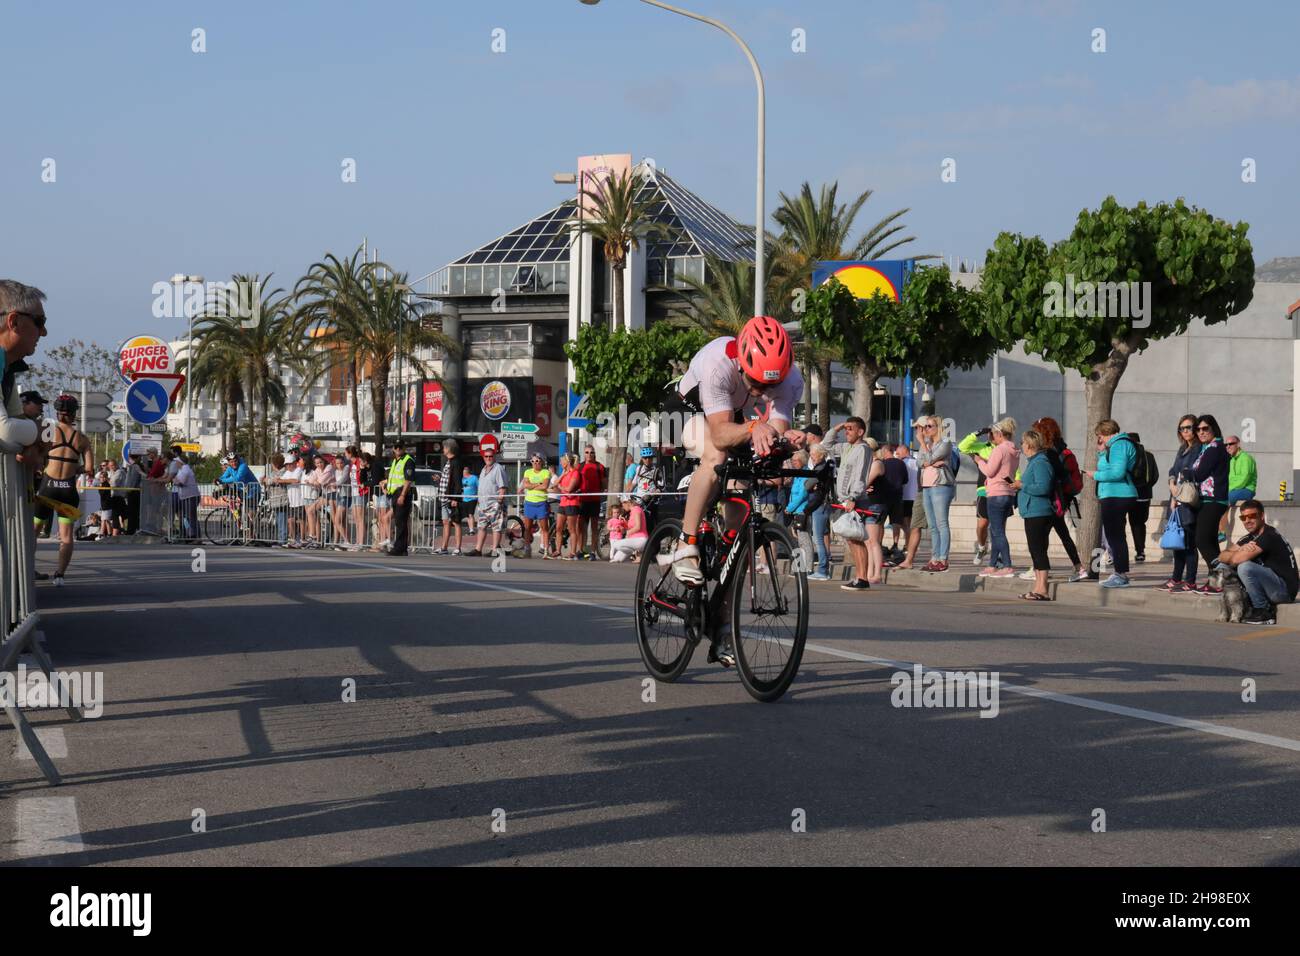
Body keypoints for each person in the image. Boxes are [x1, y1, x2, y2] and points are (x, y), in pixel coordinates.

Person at [655, 317, 808, 664]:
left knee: (740, 494)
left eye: (769, 384)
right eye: (754, 380)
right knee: (716, 455)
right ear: (742, 362)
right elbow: (723, 434)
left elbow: (775, 427)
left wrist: (782, 439)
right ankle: (686, 543)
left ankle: (721, 618)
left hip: (734, 417)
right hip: (687, 411)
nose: (761, 389)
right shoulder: (717, 364)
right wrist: (756, 425)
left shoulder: (790, 379)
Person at [32, 394, 93, 584]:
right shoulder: (82, 439)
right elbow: (90, 469)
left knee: (33, 531)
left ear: (58, 413)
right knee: (66, 537)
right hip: (68, 489)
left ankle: (27, 568)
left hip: (47, 487)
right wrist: (75, 467)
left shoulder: (48, 432)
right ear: (75, 414)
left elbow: (36, 456)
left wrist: (44, 465)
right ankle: (59, 575)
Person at [1217, 500, 1298, 625]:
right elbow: (1222, 556)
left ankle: (1263, 611)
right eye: (1243, 517)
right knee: (1222, 566)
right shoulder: (1249, 537)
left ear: (1262, 516)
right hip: (1271, 585)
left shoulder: (1268, 536)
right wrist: (1240, 551)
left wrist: (1237, 554)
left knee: (1245, 567)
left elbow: (1236, 560)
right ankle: (1238, 603)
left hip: (1284, 591)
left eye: (1252, 516)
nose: (1247, 520)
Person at [1027, 417, 1087, 583]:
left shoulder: (1049, 453)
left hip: (1052, 500)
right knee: (1062, 534)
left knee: (1041, 537)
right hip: (1062, 499)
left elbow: (1049, 477)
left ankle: (1039, 570)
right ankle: (1078, 567)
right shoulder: (1062, 449)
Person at [1084, 419, 1138, 588]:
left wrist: (1095, 475)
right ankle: (1119, 573)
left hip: (1117, 495)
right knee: (1116, 535)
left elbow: (1117, 473)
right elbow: (1111, 466)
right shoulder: (1115, 445)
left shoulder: (1119, 445)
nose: (1100, 440)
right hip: (1115, 494)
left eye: (1100, 436)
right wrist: (1102, 452)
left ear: (1103, 433)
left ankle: (1120, 574)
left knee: (1115, 536)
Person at [1183, 414, 1230, 592]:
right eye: (1198, 429)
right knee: (1210, 541)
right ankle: (1216, 582)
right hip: (1209, 500)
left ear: (1213, 429)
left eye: (1205, 428)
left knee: (1201, 540)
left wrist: (1185, 473)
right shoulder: (1208, 447)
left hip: (1213, 500)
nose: (1200, 432)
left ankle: (1222, 575)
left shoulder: (1214, 448)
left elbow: (1200, 473)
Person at [823, 418, 872, 590]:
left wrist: (853, 497)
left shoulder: (863, 449)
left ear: (860, 432)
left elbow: (860, 475)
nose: (847, 432)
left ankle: (862, 578)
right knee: (851, 538)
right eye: (846, 429)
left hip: (854, 498)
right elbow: (826, 445)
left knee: (856, 537)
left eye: (851, 429)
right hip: (843, 498)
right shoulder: (845, 447)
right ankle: (859, 577)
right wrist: (838, 426)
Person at [974, 417, 1019, 577]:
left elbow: (989, 471)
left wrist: (979, 461)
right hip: (1008, 493)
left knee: (998, 531)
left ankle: (1007, 565)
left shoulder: (999, 450)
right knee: (995, 530)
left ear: (1000, 434)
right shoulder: (1014, 450)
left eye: (993, 433)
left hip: (996, 492)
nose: (992, 437)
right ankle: (992, 564)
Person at [1015, 429, 1056, 601]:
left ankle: (1043, 589)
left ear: (1030, 444)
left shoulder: (1040, 462)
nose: (1021, 446)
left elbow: (1043, 487)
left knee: (1039, 551)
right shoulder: (1034, 462)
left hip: (1039, 512)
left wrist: (1021, 486)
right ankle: (1038, 587)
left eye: (1022, 443)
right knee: (1035, 551)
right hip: (1032, 512)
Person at [1162, 414, 1201, 593]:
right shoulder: (1182, 449)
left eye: (1189, 427)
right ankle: (1176, 577)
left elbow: (1192, 472)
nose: (1185, 431)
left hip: (1188, 499)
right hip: (1176, 498)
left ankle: (1191, 580)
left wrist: (1178, 491)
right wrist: (1171, 483)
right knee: (1178, 540)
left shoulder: (1199, 448)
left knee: (1189, 543)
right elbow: (1173, 469)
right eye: (1182, 428)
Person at [915, 415, 956, 572]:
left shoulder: (945, 443)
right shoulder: (926, 444)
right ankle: (934, 558)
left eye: (929, 426)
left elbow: (930, 458)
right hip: (926, 486)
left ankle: (943, 559)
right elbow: (920, 462)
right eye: (925, 427)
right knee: (932, 526)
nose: (925, 430)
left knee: (941, 523)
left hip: (941, 485)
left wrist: (926, 454)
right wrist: (928, 459)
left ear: (939, 428)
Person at [957, 426, 994, 564]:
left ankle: (999, 556)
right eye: (990, 434)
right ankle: (982, 547)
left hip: (1000, 489)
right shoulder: (982, 446)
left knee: (998, 525)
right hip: (983, 489)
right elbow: (962, 447)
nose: (992, 436)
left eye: (995, 434)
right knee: (982, 524)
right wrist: (978, 433)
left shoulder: (1004, 448)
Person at [468, 444, 508, 557]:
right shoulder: (483, 469)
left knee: (496, 527)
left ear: (494, 456)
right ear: (483, 457)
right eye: (486, 456)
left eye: (490, 456)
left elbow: (502, 487)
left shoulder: (498, 468)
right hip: (483, 504)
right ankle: (478, 549)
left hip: (494, 503)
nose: (488, 458)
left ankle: (495, 549)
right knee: (481, 526)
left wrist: (499, 502)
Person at [1221, 435, 1257, 542]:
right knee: (1219, 500)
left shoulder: (1246, 458)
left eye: (1231, 444)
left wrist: (1229, 489)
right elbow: (1229, 479)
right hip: (1235, 489)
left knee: (1224, 499)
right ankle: (1220, 531)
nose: (1228, 446)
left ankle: (1222, 532)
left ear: (1238, 444)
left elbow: (1244, 479)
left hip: (1247, 489)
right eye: (1226, 445)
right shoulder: (1231, 460)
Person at [804, 444, 833, 579]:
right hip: (824, 505)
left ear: (820, 454)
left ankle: (822, 570)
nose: (811, 457)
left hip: (819, 505)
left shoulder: (820, 468)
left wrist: (810, 485)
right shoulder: (826, 467)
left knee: (818, 539)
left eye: (813, 454)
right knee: (821, 537)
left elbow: (807, 485)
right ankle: (823, 569)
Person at [888, 442, 917, 563]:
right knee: (908, 523)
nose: (897, 455)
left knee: (900, 523)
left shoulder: (901, 463)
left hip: (903, 497)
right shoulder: (916, 462)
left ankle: (902, 545)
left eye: (898, 453)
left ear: (905, 452)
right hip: (914, 497)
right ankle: (906, 545)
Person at [435, 439, 465, 555]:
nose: (443, 449)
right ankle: (444, 547)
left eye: (444, 447)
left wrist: (455, 498)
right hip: (444, 497)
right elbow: (449, 478)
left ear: (448, 449)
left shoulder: (456, 462)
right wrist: (440, 479)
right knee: (445, 522)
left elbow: (457, 481)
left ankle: (457, 548)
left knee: (456, 522)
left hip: (451, 497)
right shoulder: (448, 461)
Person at [386, 439, 415, 556]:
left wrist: (402, 495)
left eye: (400, 447)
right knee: (399, 522)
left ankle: (399, 548)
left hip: (403, 493)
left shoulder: (408, 460)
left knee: (401, 522)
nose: (398, 449)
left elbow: (408, 480)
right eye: (396, 447)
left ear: (404, 448)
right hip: (395, 494)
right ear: (393, 448)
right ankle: (402, 548)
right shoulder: (395, 461)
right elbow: (394, 478)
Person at [521, 453, 553, 558]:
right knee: (527, 528)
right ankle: (527, 548)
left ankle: (545, 550)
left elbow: (545, 486)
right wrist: (537, 484)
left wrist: (532, 486)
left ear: (541, 462)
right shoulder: (527, 472)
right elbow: (525, 485)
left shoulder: (545, 472)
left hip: (541, 503)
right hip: (529, 502)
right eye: (533, 461)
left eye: (537, 461)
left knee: (544, 528)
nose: (535, 463)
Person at [578, 445, 607, 560]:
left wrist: (603, 490)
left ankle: (593, 552)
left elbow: (604, 483)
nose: (589, 455)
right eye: (587, 452)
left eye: (592, 452)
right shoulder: (579, 466)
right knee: (581, 528)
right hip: (582, 501)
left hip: (595, 500)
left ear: (594, 454)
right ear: (584, 453)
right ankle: (582, 550)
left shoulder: (600, 467)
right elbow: (576, 481)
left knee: (594, 528)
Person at [171, 448, 201, 544]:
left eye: (176, 462)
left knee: (191, 517)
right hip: (186, 496)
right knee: (187, 517)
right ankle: (190, 535)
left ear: (180, 462)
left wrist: (174, 480)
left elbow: (180, 482)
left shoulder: (185, 469)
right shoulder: (183, 469)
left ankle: (195, 537)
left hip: (190, 497)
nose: (175, 463)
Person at [556, 452, 583, 559]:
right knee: (559, 528)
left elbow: (569, 489)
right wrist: (562, 475)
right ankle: (558, 551)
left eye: (562, 461)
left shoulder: (575, 473)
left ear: (567, 462)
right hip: (563, 502)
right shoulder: (564, 473)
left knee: (572, 528)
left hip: (572, 503)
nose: (561, 463)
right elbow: (555, 484)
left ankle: (573, 552)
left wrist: (560, 487)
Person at [609, 497, 649, 563]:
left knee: (615, 544)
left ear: (628, 502)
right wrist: (624, 524)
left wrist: (628, 532)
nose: (622, 506)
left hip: (640, 539)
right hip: (633, 541)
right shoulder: (632, 512)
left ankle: (639, 555)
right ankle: (636, 553)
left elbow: (638, 527)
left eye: (623, 504)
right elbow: (631, 527)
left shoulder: (636, 509)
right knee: (616, 559)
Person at [265, 452, 289, 544]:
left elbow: (273, 480)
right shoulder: (274, 472)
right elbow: (268, 480)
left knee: (282, 520)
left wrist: (268, 480)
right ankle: (280, 538)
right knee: (279, 520)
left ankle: (282, 539)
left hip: (282, 499)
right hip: (275, 500)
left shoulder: (283, 471)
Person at [462, 464, 479, 536]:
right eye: (463, 469)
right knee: (467, 516)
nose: (464, 471)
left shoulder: (474, 478)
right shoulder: (462, 479)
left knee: (470, 514)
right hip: (464, 499)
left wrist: (479, 497)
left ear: (468, 470)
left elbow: (479, 487)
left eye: (466, 469)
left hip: (473, 498)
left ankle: (472, 530)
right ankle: (470, 529)